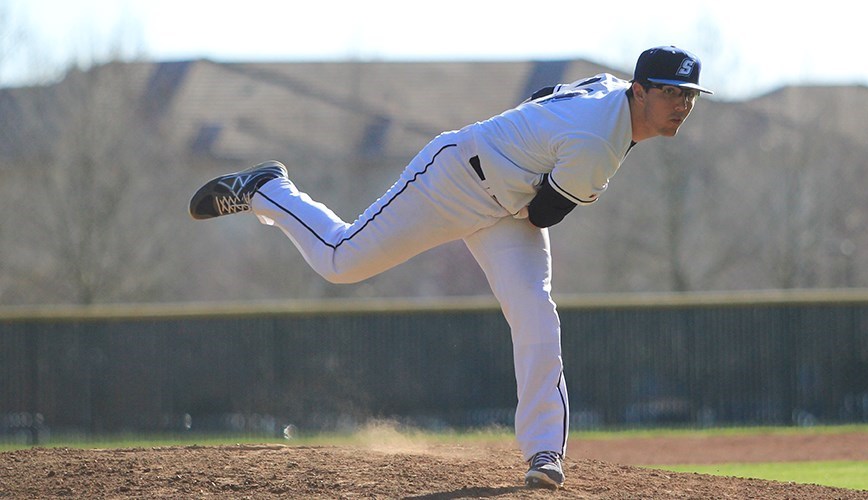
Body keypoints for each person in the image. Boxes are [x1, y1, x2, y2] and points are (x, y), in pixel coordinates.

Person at [189, 45, 712, 489]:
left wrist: (524, 148)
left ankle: (544, 453)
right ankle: (268, 190)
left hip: (506, 199)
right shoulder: (598, 143)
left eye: (688, 95)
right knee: (339, 260)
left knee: (535, 314)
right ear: (640, 91)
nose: (682, 105)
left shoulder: (610, 89)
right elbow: (546, 211)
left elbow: (544, 98)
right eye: (670, 92)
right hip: (455, 180)